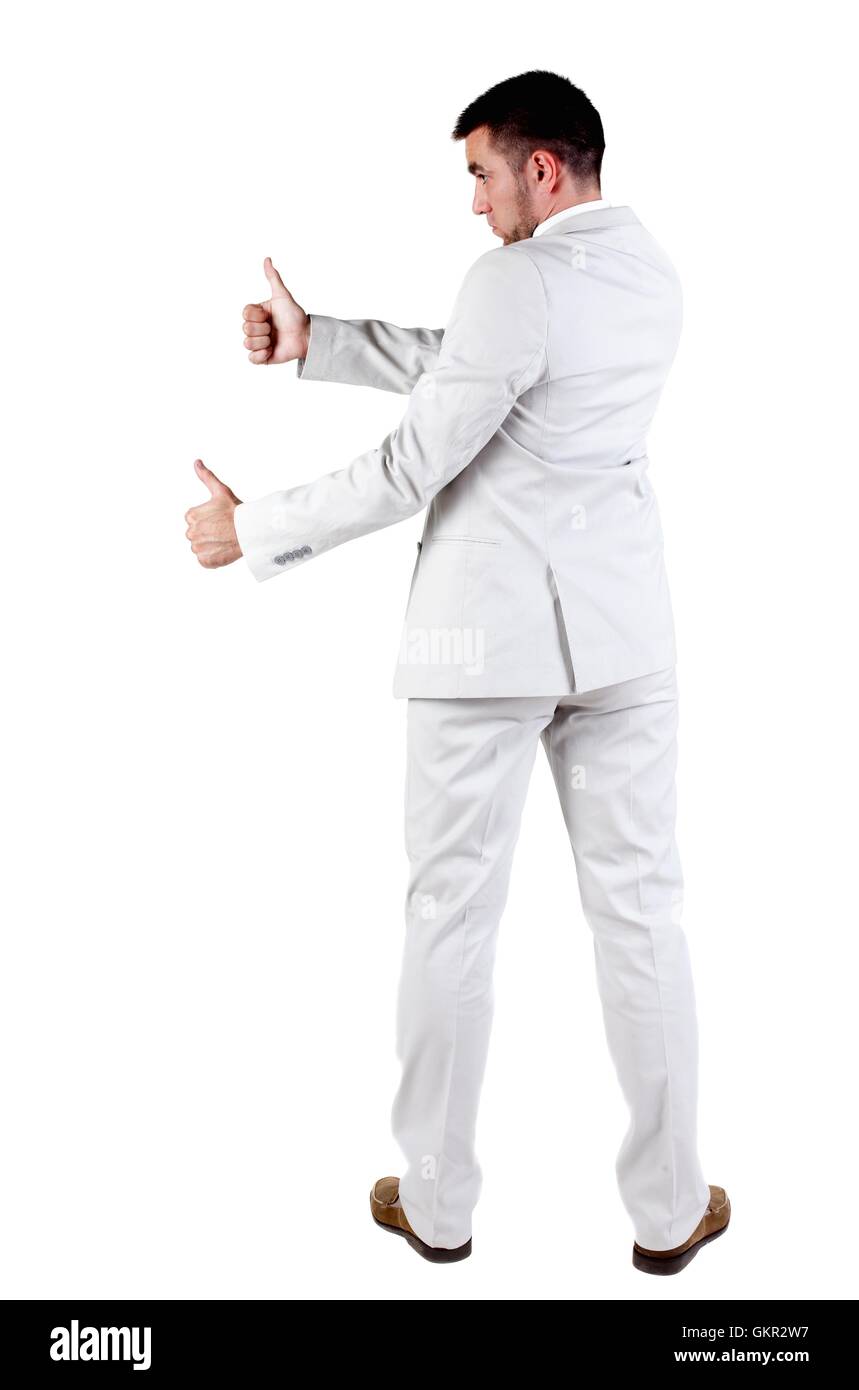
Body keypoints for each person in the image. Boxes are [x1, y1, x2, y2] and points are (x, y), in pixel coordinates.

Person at [184, 69, 730, 1275]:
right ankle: (668, 1210)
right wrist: (318, 341)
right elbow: (485, 363)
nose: (472, 206)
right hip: (624, 645)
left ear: (543, 167)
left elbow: (415, 458)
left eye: (481, 175)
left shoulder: (513, 281)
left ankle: (436, 1207)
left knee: (448, 918)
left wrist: (254, 527)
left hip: (478, 649)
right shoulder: (647, 271)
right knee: (642, 917)